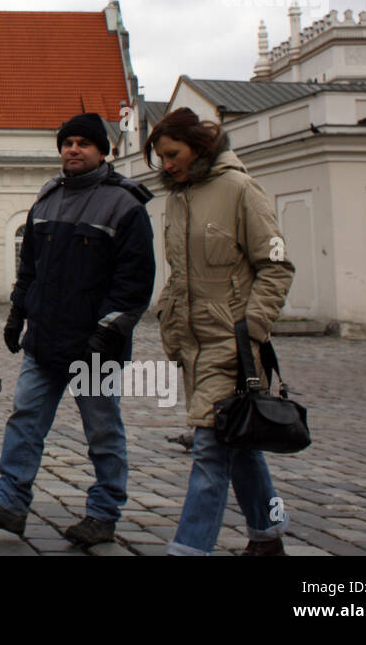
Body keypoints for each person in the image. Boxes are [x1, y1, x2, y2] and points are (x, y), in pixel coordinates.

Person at [0, 112, 156, 547]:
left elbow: (135, 284)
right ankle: (10, 501)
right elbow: (29, 267)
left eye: (84, 143)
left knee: (102, 432)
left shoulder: (125, 204)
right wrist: (17, 314)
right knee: (25, 420)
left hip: (95, 347)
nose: (73, 149)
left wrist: (106, 334)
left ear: (102, 151)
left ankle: (104, 512)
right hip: (45, 339)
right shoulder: (47, 200)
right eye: (67, 143)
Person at [146, 107, 295, 556]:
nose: (166, 165)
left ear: (199, 145)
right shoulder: (177, 197)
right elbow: (179, 272)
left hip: (233, 345)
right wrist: (170, 320)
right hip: (192, 343)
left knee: (209, 449)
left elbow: (276, 265)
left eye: (173, 154)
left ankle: (189, 549)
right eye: (160, 159)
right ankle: (267, 537)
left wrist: (251, 327)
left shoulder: (239, 189)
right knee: (239, 441)